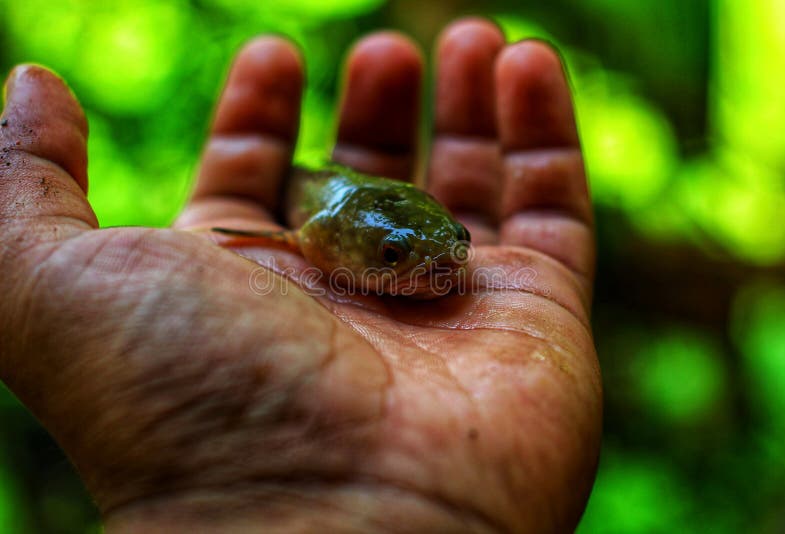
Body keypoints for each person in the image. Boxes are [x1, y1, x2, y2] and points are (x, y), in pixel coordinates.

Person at [0, 17, 601, 533]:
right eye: (393, 258)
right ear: (319, 241)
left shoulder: (402, 232)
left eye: (458, 244)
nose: (446, 271)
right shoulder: (321, 229)